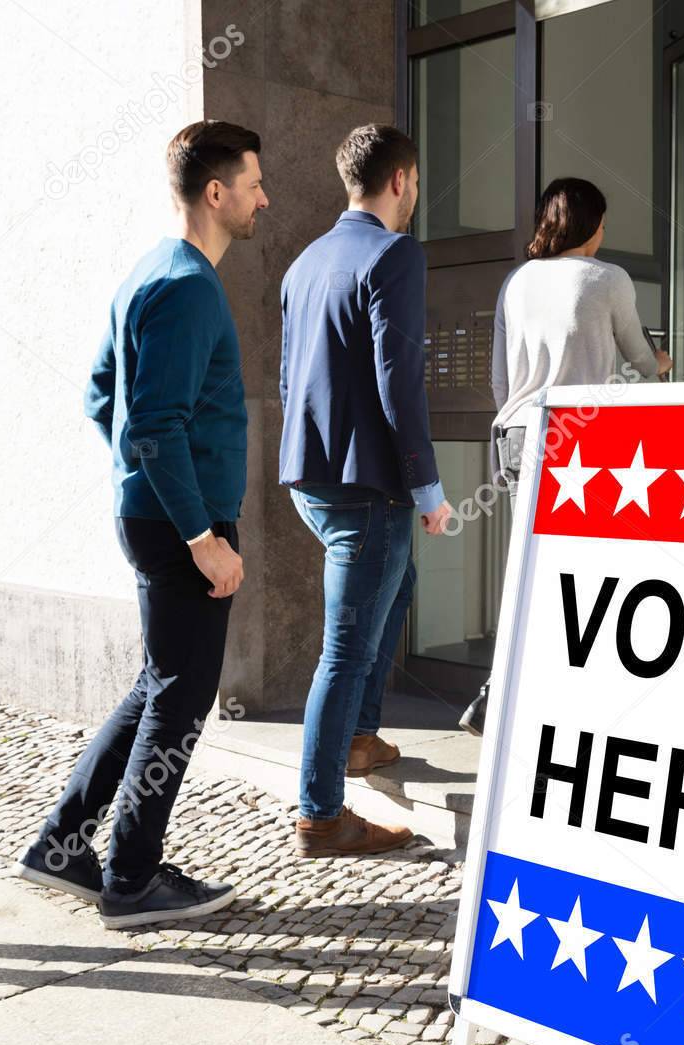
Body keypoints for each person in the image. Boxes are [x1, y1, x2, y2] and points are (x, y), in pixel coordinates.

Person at [12, 120, 267, 928]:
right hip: (184, 524)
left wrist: (139, 477)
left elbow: (101, 395)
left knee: (159, 684)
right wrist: (202, 535)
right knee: (182, 699)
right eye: (255, 183)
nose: (266, 197)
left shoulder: (148, 272)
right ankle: (131, 878)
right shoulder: (189, 284)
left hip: (156, 511)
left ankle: (62, 843)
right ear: (215, 193)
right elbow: (149, 423)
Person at [278, 123, 454, 857]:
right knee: (344, 649)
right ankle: (321, 813)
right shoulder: (395, 253)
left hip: (312, 478)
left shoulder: (304, 263)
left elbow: (291, 379)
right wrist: (429, 489)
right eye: (414, 184)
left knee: (399, 583)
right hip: (368, 484)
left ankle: (360, 736)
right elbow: (397, 381)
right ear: (402, 181)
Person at [459, 176, 671, 736]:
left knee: (531, 569)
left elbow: (500, 379)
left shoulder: (517, 282)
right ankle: (571, 702)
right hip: (580, 442)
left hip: (516, 437)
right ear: (593, 225)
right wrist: (663, 361)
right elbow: (643, 363)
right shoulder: (607, 279)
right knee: (587, 577)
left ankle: (497, 694)